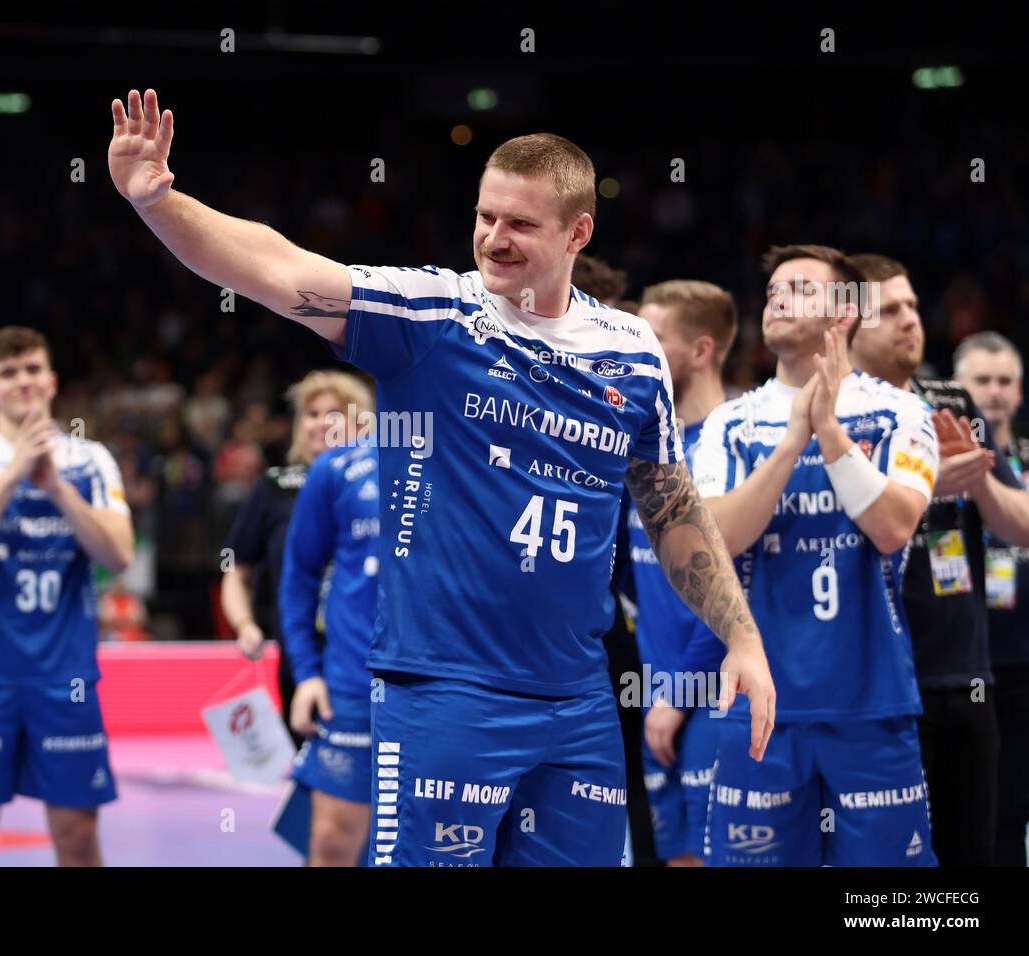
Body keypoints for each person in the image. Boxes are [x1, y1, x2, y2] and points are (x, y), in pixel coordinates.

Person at [109, 88, 775, 867]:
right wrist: (160, 203)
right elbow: (280, 271)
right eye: (485, 217)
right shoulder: (433, 315)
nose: (493, 238)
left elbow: (669, 507)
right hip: (443, 693)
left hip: (580, 701)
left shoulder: (632, 348)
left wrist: (742, 637)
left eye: (521, 223)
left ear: (578, 232)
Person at [695, 244, 938, 866]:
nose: (777, 298)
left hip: (872, 701)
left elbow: (892, 527)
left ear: (845, 313)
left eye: (800, 288)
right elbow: (716, 539)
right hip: (760, 703)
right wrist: (791, 443)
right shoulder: (731, 423)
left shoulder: (900, 412)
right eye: (773, 288)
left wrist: (829, 432)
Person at [0, 326, 135, 866]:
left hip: (66, 679)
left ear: (52, 381)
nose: (23, 381)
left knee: (78, 836)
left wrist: (56, 488)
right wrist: (15, 472)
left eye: (33, 369)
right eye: (8, 373)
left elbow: (119, 555)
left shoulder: (90, 461)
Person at [848, 256, 1029, 866]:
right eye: (890, 310)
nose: (910, 320)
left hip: (967, 678)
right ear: (849, 323)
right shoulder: (829, 413)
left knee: (976, 856)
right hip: (879, 689)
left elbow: (1022, 526)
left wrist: (976, 481)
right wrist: (927, 488)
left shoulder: (951, 401)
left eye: (912, 306)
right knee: (890, 872)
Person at [623, 280, 737, 866]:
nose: (636, 349)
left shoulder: (735, 443)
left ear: (701, 350)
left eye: (653, 338)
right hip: (656, 694)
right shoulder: (643, 450)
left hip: (717, 698)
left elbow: (729, 583)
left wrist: (676, 693)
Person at [221, 370, 372, 748]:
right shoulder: (274, 486)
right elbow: (235, 569)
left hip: (364, 657)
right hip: (299, 657)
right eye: (311, 413)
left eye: (334, 413)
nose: (321, 423)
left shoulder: (385, 482)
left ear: (362, 421)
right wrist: (244, 625)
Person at [279, 388, 379, 866]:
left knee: (437, 842)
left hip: (442, 686)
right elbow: (298, 576)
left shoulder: (460, 455)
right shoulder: (333, 470)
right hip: (351, 685)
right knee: (333, 843)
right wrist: (308, 674)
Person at [955, 331, 1029, 866]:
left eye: (1005, 381)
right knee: (968, 818)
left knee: (1014, 813)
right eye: (982, 380)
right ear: (956, 389)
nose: (995, 392)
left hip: (1024, 662)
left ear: (1021, 392)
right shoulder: (934, 466)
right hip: (962, 668)